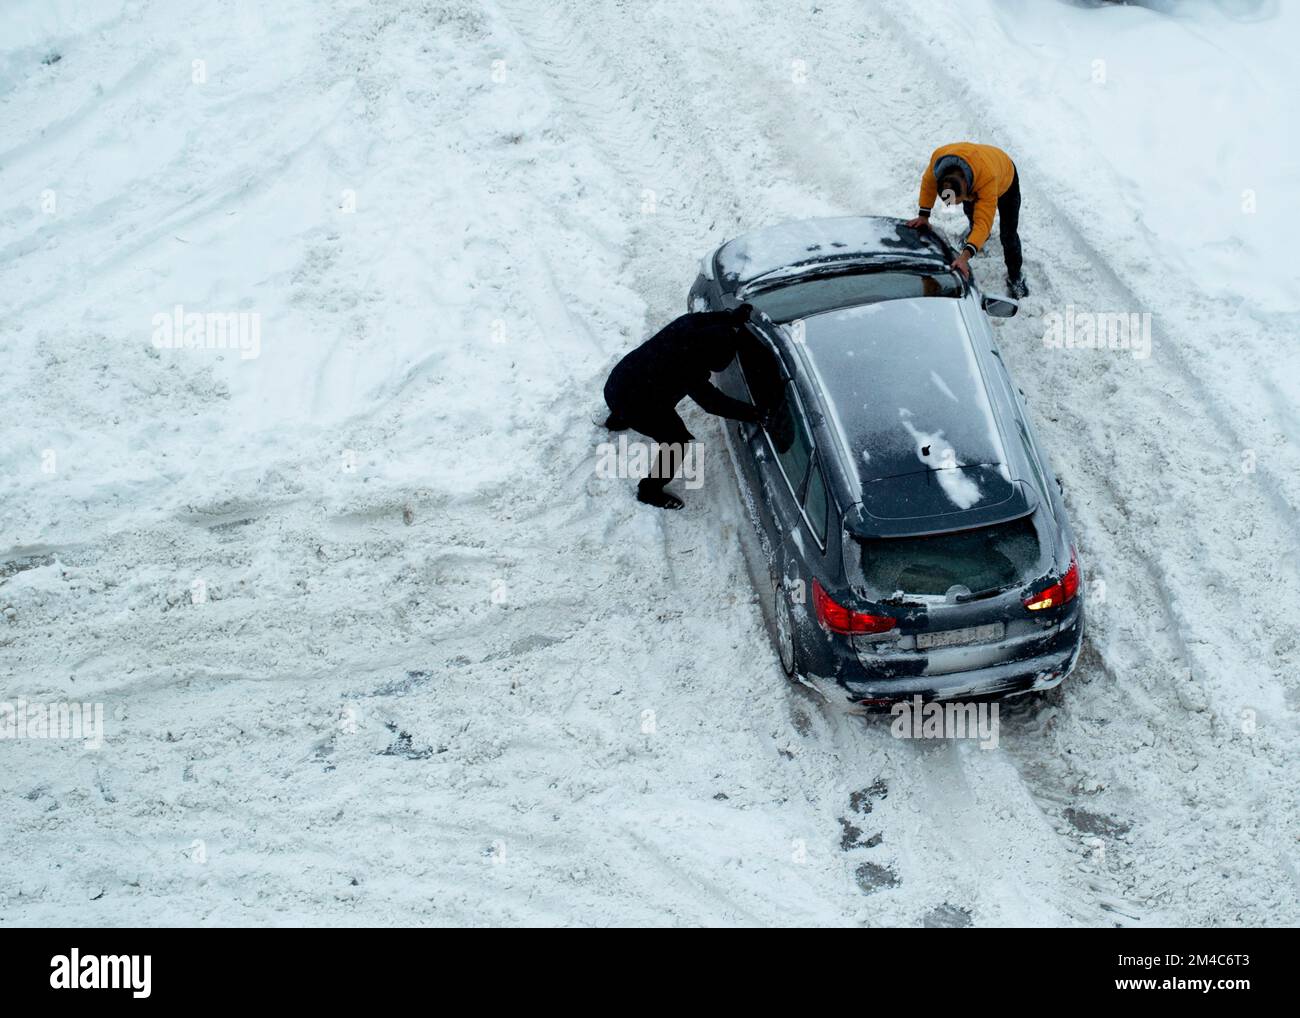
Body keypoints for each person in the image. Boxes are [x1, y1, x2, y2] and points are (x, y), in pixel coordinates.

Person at [603, 303, 764, 510]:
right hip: (634, 402)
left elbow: (707, 318)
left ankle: (619, 417)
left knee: (654, 386)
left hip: (619, 380)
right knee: (676, 443)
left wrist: (732, 317)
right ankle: (648, 491)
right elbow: (714, 403)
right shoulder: (687, 365)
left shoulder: (688, 325)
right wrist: (755, 414)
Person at [906, 141, 1028, 298]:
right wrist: (923, 215)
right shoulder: (939, 161)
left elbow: (984, 222)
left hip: (1005, 176)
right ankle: (977, 239)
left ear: (967, 187)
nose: (953, 205)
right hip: (977, 167)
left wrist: (964, 257)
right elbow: (928, 184)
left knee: (1008, 233)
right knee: (971, 213)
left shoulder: (987, 179)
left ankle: (1015, 276)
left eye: (960, 199)